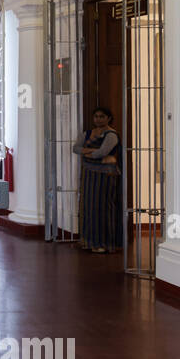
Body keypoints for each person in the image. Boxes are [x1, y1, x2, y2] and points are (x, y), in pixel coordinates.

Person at [73, 106, 121, 253]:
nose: (98, 119)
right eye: (96, 116)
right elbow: (76, 148)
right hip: (89, 175)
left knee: (103, 208)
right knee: (89, 207)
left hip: (105, 177)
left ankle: (104, 243)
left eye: (102, 116)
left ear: (108, 118)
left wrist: (88, 154)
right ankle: (89, 241)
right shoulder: (87, 134)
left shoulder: (111, 135)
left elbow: (103, 152)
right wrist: (92, 152)